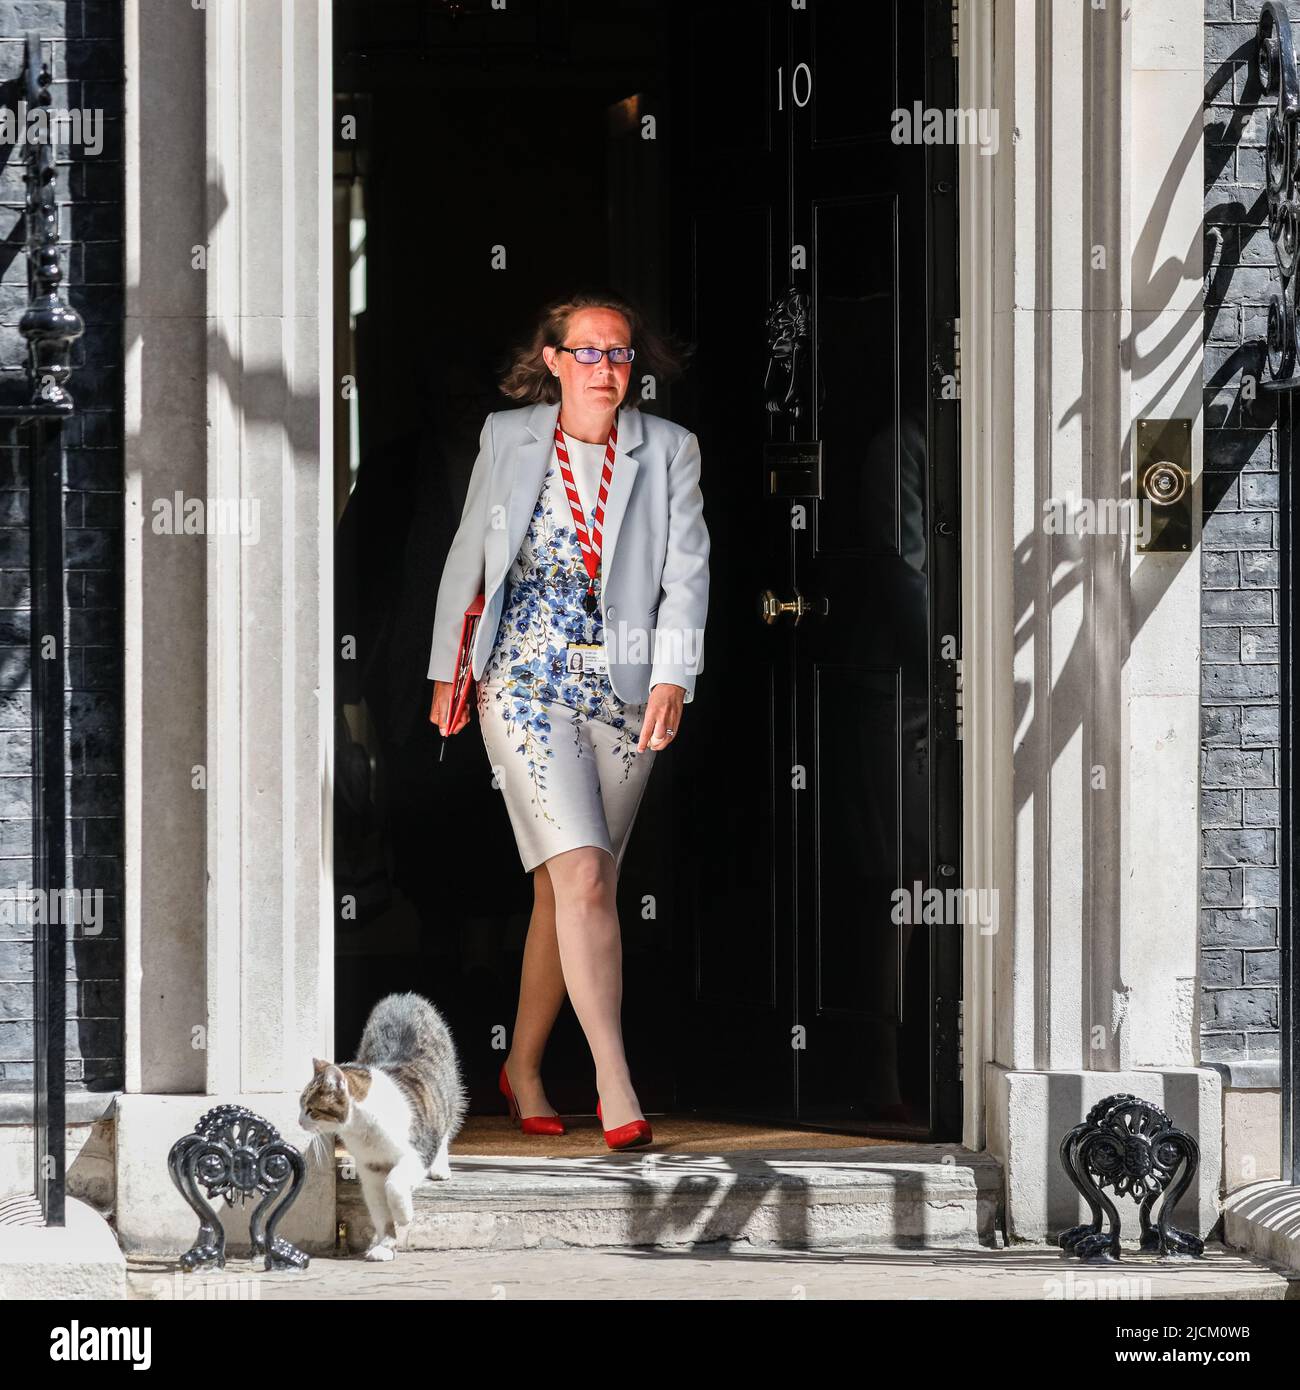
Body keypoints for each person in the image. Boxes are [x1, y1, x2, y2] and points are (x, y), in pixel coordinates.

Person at [428, 292, 709, 1149]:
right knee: (583, 875)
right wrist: (447, 665)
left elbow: (686, 572)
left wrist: (675, 675)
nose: (606, 369)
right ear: (551, 361)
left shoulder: (668, 450)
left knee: (570, 889)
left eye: (620, 354)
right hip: (523, 681)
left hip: (624, 690)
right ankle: (616, 1085)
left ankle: (520, 1067)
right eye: (586, 353)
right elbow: (471, 550)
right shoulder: (508, 438)